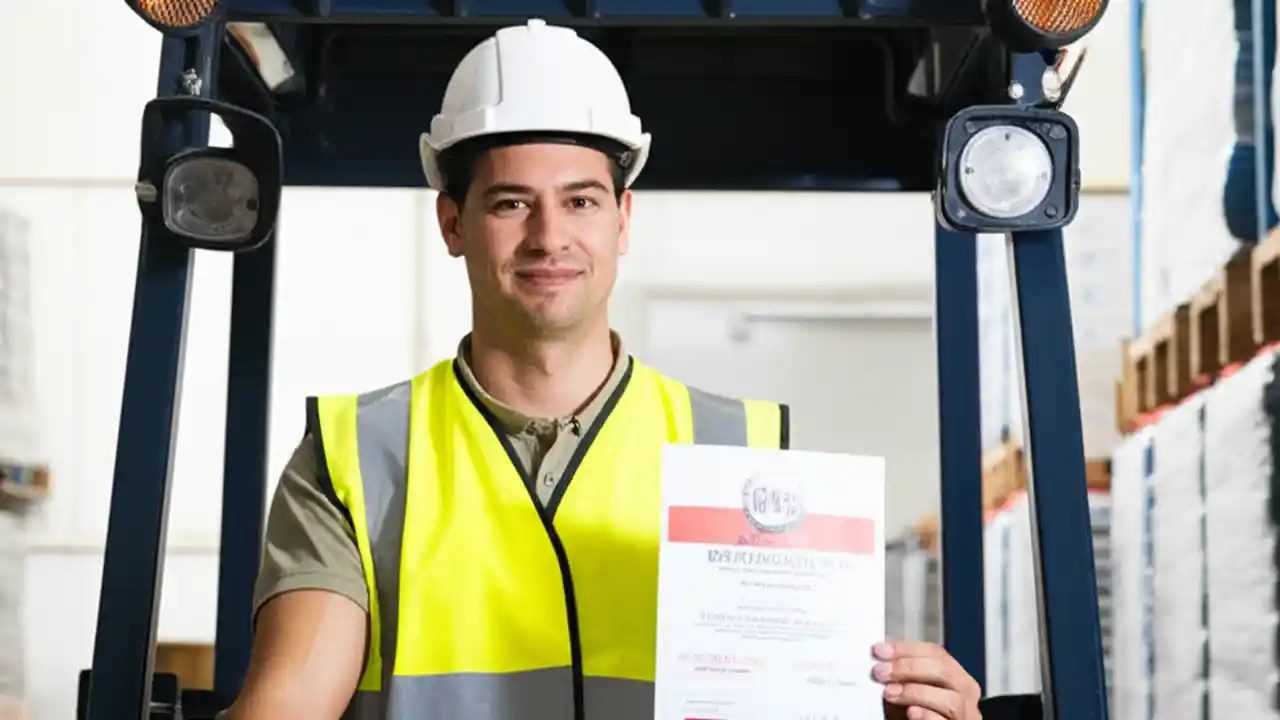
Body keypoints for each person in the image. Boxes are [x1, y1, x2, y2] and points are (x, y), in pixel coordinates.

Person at [221, 18, 983, 720]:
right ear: (453, 223)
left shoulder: (744, 458)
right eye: (511, 204)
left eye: (580, 202)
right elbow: (289, 701)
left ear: (623, 219)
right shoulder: (358, 456)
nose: (549, 237)